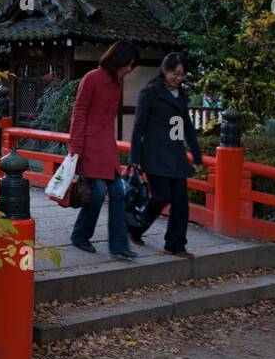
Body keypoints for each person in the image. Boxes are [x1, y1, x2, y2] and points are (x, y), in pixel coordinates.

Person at [68, 41, 140, 259]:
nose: (129, 69)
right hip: (89, 146)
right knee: (97, 193)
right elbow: (79, 113)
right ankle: (80, 235)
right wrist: (75, 147)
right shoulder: (92, 78)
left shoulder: (118, 83)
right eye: (128, 64)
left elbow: (109, 120)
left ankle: (119, 245)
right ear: (118, 59)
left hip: (107, 146)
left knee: (118, 192)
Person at [128, 52, 204, 257]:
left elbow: (186, 128)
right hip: (154, 154)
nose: (178, 78)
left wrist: (197, 156)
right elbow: (138, 127)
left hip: (176, 156)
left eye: (181, 74)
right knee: (161, 197)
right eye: (174, 73)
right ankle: (136, 227)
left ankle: (175, 245)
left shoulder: (181, 97)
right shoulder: (151, 93)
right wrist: (134, 158)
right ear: (164, 70)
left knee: (181, 203)